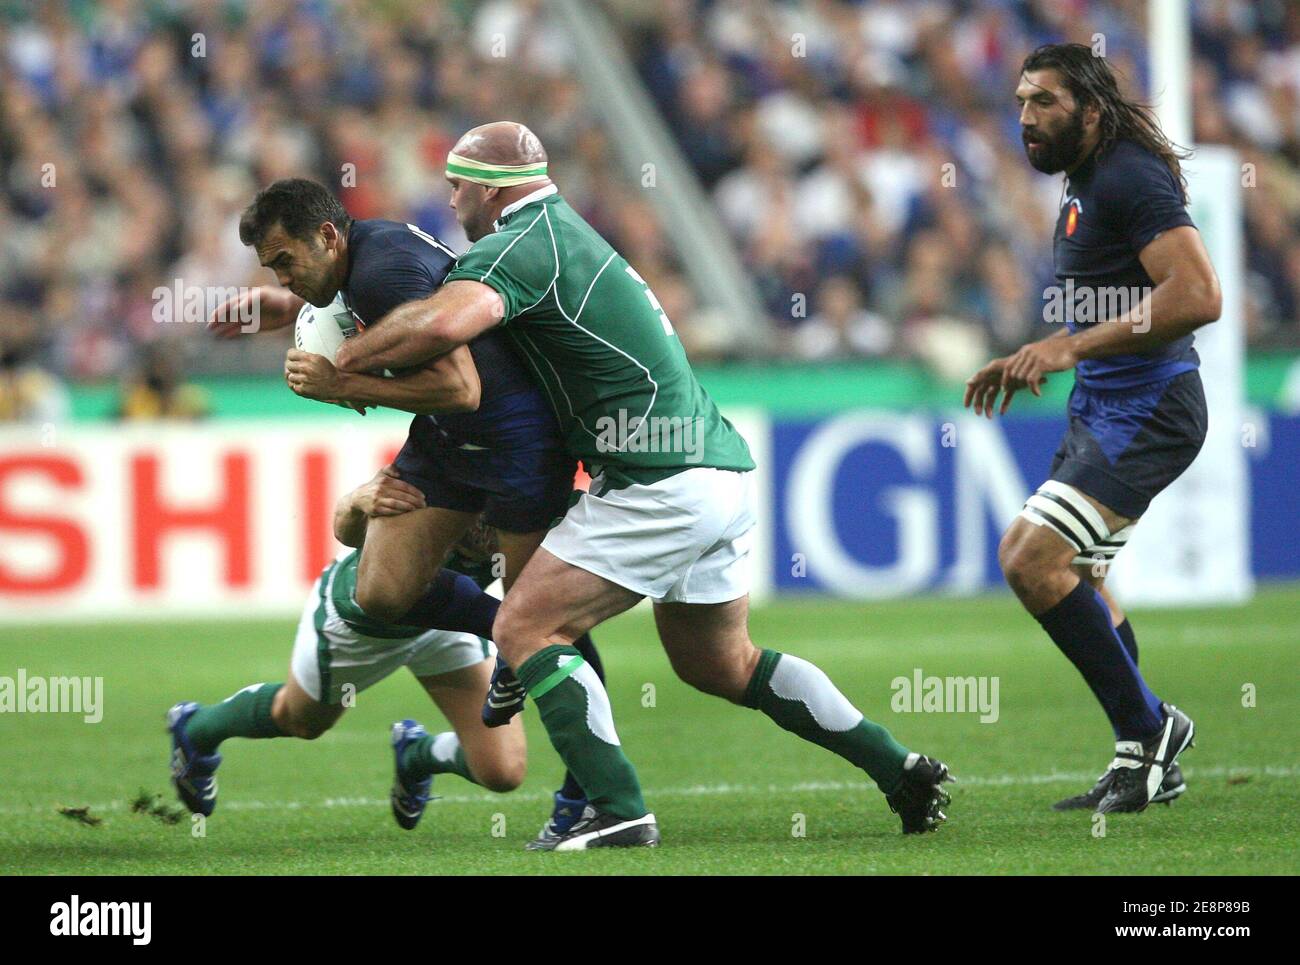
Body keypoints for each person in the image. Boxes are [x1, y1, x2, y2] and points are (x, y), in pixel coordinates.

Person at [335, 121, 953, 850]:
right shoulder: (565, 234)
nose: (450, 199)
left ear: (490, 189)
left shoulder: (522, 244)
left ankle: (617, 810)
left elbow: (443, 324)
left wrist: (346, 361)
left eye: (457, 184)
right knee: (722, 662)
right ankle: (897, 767)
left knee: (525, 627)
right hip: (715, 469)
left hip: (659, 482)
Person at [205, 182, 609, 842]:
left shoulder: (382, 270)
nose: (281, 276)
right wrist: (292, 303)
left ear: (327, 237)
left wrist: (342, 382)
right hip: (452, 439)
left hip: (515, 439)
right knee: (384, 591)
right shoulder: (367, 255)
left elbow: (460, 386)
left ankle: (589, 794)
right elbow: (389, 305)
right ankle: (506, 630)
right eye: (271, 268)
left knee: (546, 627)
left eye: (284, 262)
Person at [963, 44, 1222, 814]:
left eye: (1044, 101)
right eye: (1021, 101)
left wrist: (1068, 348)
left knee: (1028, 557)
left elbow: (1199, 294)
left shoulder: (1127, 175)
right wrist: (1045, 350)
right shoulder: (1084, 178)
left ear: (1091, 109)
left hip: (1151, 408)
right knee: (1083, 572)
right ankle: (1142, 758)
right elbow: (1114, 303)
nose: (1026, 117)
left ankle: (1153, 727)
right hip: (1101, 407)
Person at [168, 467, 526, 830]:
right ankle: (197, 728)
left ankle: (416, 753)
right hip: (363, 625)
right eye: (486, 514)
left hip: (449, 622)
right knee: (301, 721)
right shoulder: (427, 491)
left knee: (503, 772)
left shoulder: (528, 494)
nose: (492, 528)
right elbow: (350, 532)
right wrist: (354, 502)